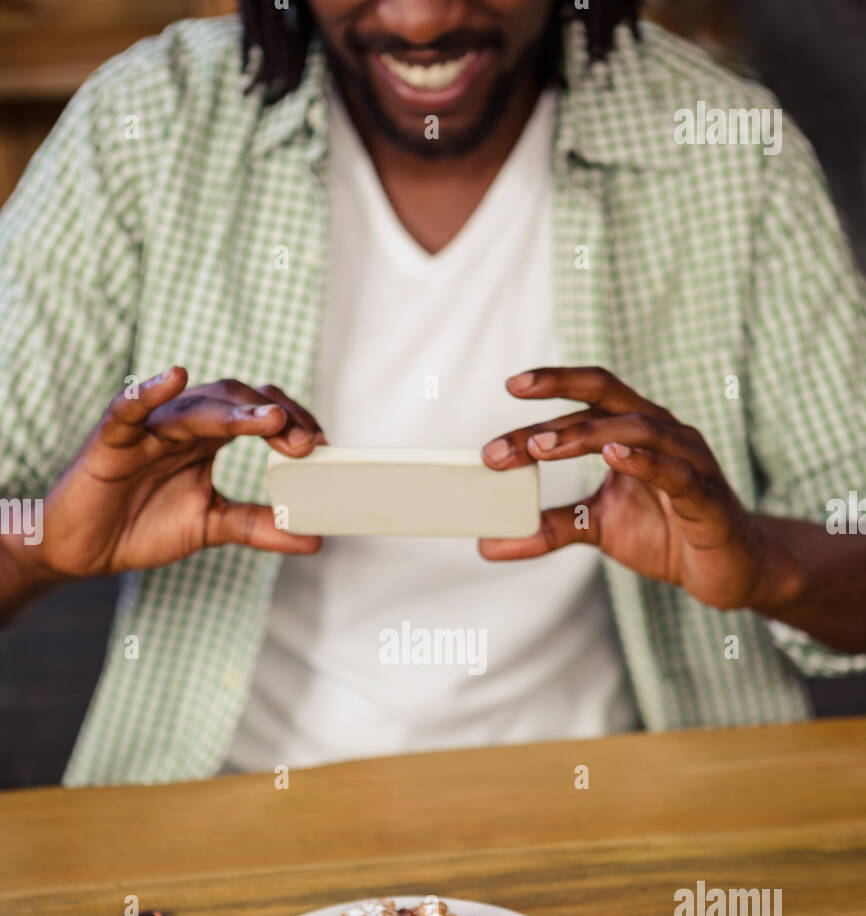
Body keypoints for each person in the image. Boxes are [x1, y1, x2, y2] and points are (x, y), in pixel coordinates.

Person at [0, 1, 864, 787]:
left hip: (613, 798)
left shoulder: (726, 146)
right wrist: (39, 547)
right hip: (230, 805)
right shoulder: (147, 123)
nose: (421, 20)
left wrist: (765, 559)